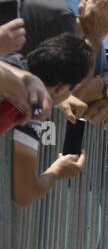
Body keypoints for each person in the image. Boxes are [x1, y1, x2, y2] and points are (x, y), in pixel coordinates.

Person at [9, 34, 92, 207]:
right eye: (72, 90)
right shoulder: (34, 105)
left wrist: (60, 100)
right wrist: (56, 171)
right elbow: (24, 193)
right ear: (61, 87)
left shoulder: (10, 62)